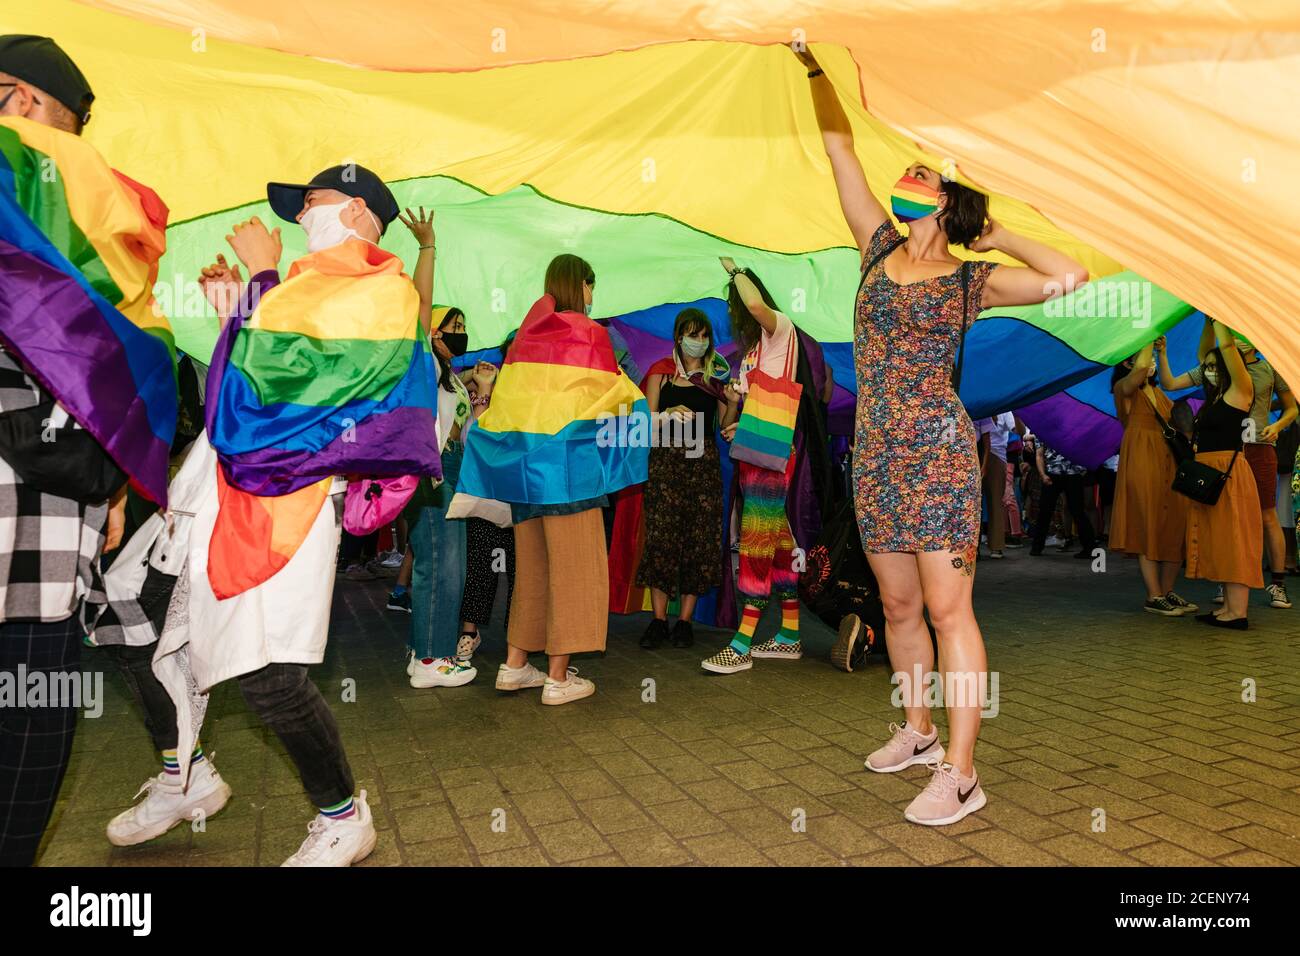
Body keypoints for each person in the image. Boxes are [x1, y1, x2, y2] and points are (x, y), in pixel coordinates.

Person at [793, 44, 1089, 826]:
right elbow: (838, 147)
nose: (911, 175)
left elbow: (1070, 278)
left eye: (928, 172)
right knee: (896, 607)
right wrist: (813, 67)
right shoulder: (875, 246)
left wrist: (999, 236)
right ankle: (918, 731)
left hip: (939, 457)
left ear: (947, 200)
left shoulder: (970, 280)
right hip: (879, 457)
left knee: (948, 609)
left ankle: (962, 771)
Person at [159, 163, 434, 866]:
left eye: (316, 201)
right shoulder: (306, 289)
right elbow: (243, 399)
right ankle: (180, 774)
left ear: (363, 214)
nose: (302, 213)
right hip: (231, 491)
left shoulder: (381, 289)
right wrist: (239, 307)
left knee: (265, 672)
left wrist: (259, 281)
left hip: (291, 505)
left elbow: (285, 400)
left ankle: (342, 813)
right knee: (158, 626)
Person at [0, 35, 172, 864]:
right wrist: (112, 481)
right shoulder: (89, 193)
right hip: (46, 482)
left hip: (33, 477)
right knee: (33, 687)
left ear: (19, 99)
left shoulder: (37, 166)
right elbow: (120, 356)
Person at [458, 254, 648, 705]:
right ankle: (559, 678)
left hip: (526, 482)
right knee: (575, 573)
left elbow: (504, 405)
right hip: (571, 479)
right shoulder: (591, 335)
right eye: (591, 285)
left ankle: (515, 664)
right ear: (581, 286)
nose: (592, 295)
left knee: (532, 576)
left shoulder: (524, 339)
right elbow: (619, 397)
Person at [700, 261, 809, 674]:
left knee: (756, 542)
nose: (733, 313)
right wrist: (735, 425)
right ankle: (790, 634)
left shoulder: (779, 329)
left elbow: (756, 303)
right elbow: (747, 409)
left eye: (733, 306)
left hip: (770, 461)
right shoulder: (754, 353)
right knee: (778, 542)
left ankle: (742, 642)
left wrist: (736, 272)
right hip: (755, 456)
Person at [1158, 321, 1295, 609]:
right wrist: (1210, 318)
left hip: (1258, 447)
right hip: (1228, 451)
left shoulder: (1266, 368)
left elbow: (1291, 405)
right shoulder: (1218, 367)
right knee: (1225, 519)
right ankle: (1227, 582)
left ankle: (1277, 584)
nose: (1240, 339)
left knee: (1266, 516)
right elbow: (1200, 359)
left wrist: (1278, 425)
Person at [638, 308, 736, 649]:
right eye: (692, 335)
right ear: (678, 337)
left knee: (699, 540)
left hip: (703, 465)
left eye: (703, 335)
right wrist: (666, 415)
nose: (698, 341)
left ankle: (685, 621)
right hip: (665, 466)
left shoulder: (715, 381)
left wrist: (734, 403)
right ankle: (658, 620)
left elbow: (725, 429)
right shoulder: (660, 375)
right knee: (661, 539)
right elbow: (644, 427)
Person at [404, 294, 476, 688]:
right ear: (433, 330)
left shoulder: (449, 375)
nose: (461, 334)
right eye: (455, 326)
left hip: (453, 465)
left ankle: (425, 652)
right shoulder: (426, 362)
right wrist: (427, 249)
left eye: (464, 327)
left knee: (452, 563)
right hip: (431, 465)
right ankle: (433, 656)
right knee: (438, 561)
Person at [1180, 322, 1262, 628]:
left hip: (1228, 474)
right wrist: (1205, 322)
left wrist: (1220, 320)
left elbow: (1226, 350)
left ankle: (1237, 613)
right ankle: (1227, 608)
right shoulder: (1215, 395)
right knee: (1221, 541)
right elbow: (1206, 354)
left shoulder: (1241, 390)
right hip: (1211, 473)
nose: (1210, 369)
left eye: (1216, 366)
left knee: (1235, 540)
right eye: (1208, 367)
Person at [1108, 338, 1195, 614]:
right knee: (1146, 523)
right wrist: (1149, 331)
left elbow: (1167, 384)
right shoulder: (1123, 389)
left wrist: (1163, 351)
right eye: (1146, 359)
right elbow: (1141, 369)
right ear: (1127, 362)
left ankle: (1167, 590)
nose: (1151, 364)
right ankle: (1153, 594)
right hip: (1142, 460)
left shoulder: (1160, 395)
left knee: (1174, 523)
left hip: (1167, 461)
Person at [457, 350, 516, 656]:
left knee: (521, 570)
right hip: (485, 494)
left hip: (522, 493)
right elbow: (473, 439)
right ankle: (469, 632)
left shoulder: (530, 396)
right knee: (482, 564)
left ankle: (519, 641)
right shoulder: (486, 390)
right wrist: (485, 391)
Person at [1031, 443, 1097, 558]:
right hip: (1053, 474)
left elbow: (1085, 448)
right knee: (1045, 510)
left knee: (1077, 511)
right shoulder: (1044, 429)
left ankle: (1089, 548)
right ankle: (1036, 547)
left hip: (1073, 474)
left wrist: (1083, 469)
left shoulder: (1073, 427)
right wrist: (1043, 475)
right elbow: (1039, 454)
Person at [976, 412, 1016, 558]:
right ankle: (973, 547)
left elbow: (1018, 430)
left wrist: (1020, 413)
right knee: (973, 504)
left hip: (997, 453)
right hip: (973, 452)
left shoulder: (1005, 409)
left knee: (995, 501)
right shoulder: (975, 403)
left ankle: (996, 545)